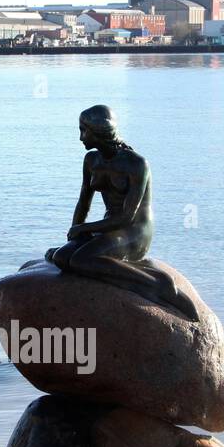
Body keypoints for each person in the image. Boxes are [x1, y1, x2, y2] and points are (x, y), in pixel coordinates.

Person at [46, 104, 198, 321]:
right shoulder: (92, 160)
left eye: (84, 130)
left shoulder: (136, 164)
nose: (80, 137)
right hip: (108, 229)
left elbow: (128, 217)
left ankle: (158, 283)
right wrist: (75, 233)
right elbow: (83, 203)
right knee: (62, 257)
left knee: (81, 260)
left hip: (134, 232)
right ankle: (115, 268)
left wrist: (85, 228)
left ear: (100, 131)